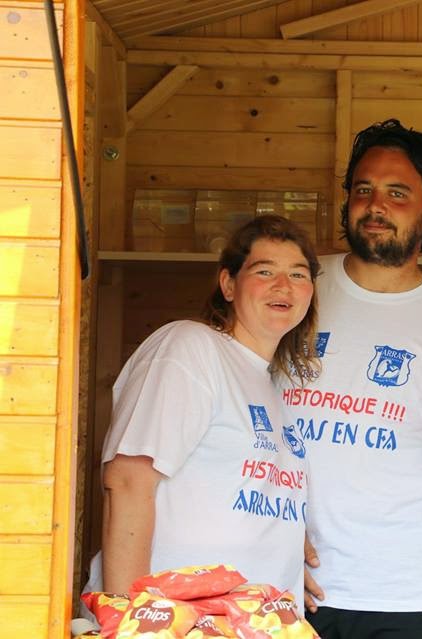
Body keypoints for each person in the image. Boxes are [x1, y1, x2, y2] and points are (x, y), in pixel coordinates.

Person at [285, 119, 422, 639]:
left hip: (413, 593)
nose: (374, 205)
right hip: (286, 583)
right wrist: (263, 536)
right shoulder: (294, 289)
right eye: (363, 189)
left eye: (397, 192)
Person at [91, 214, 320, 609]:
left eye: (298, 275)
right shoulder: (189, 347)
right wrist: (127, 620)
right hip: (177, 623)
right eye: (265, 271)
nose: (284, 286)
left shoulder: (269, 384)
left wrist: (281, 552)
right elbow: (127, 481)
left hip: (254, 624)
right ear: (228, 284)